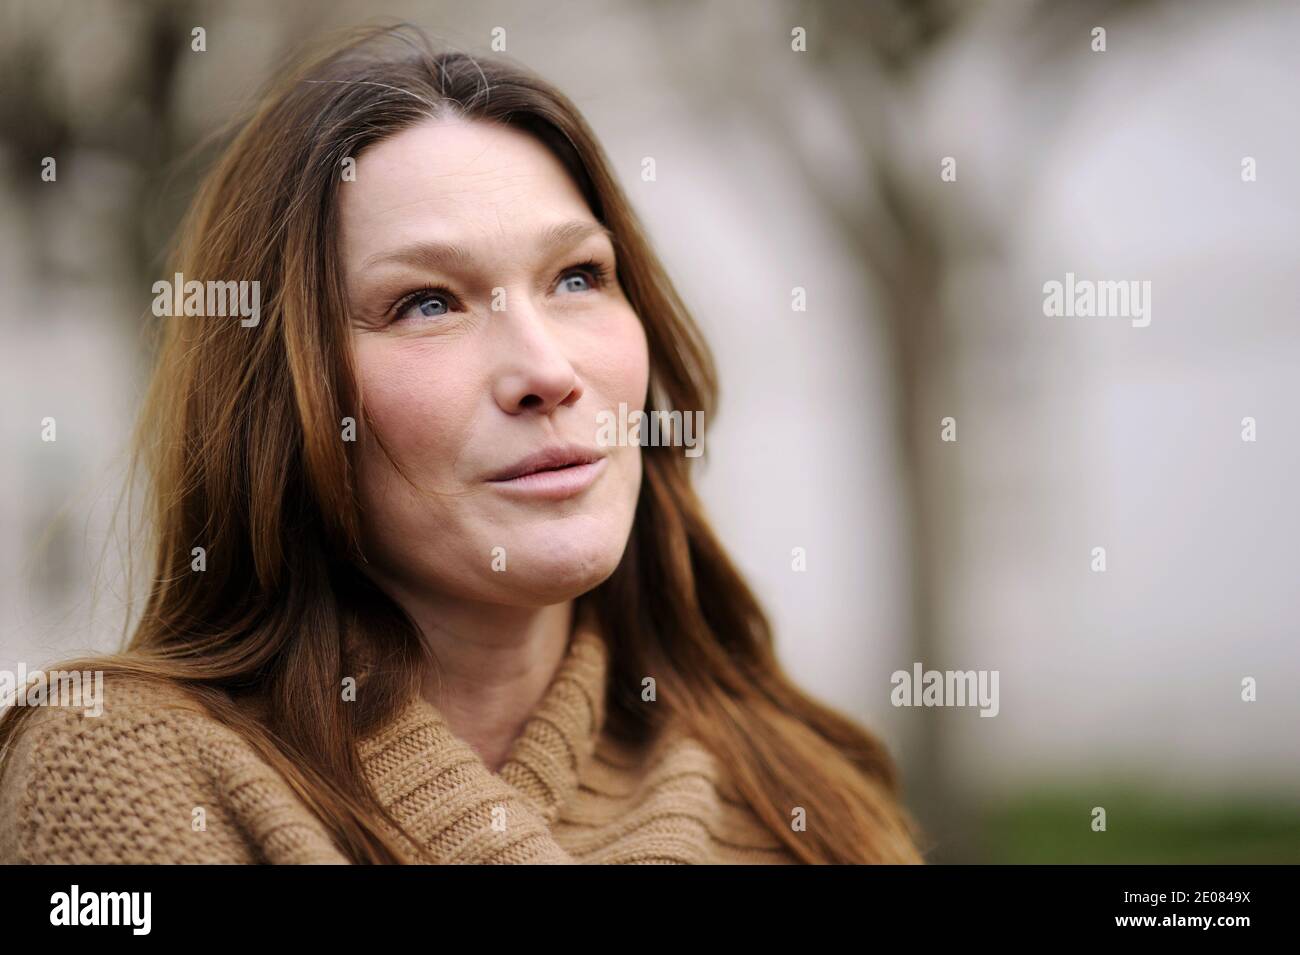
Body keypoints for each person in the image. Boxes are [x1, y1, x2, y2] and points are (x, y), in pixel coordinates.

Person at [0, 25, 923, 864]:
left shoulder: (807, 794)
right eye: (427, 303)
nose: (546, 369)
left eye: (578, 277)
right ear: (286, 398)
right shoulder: (125, 767)